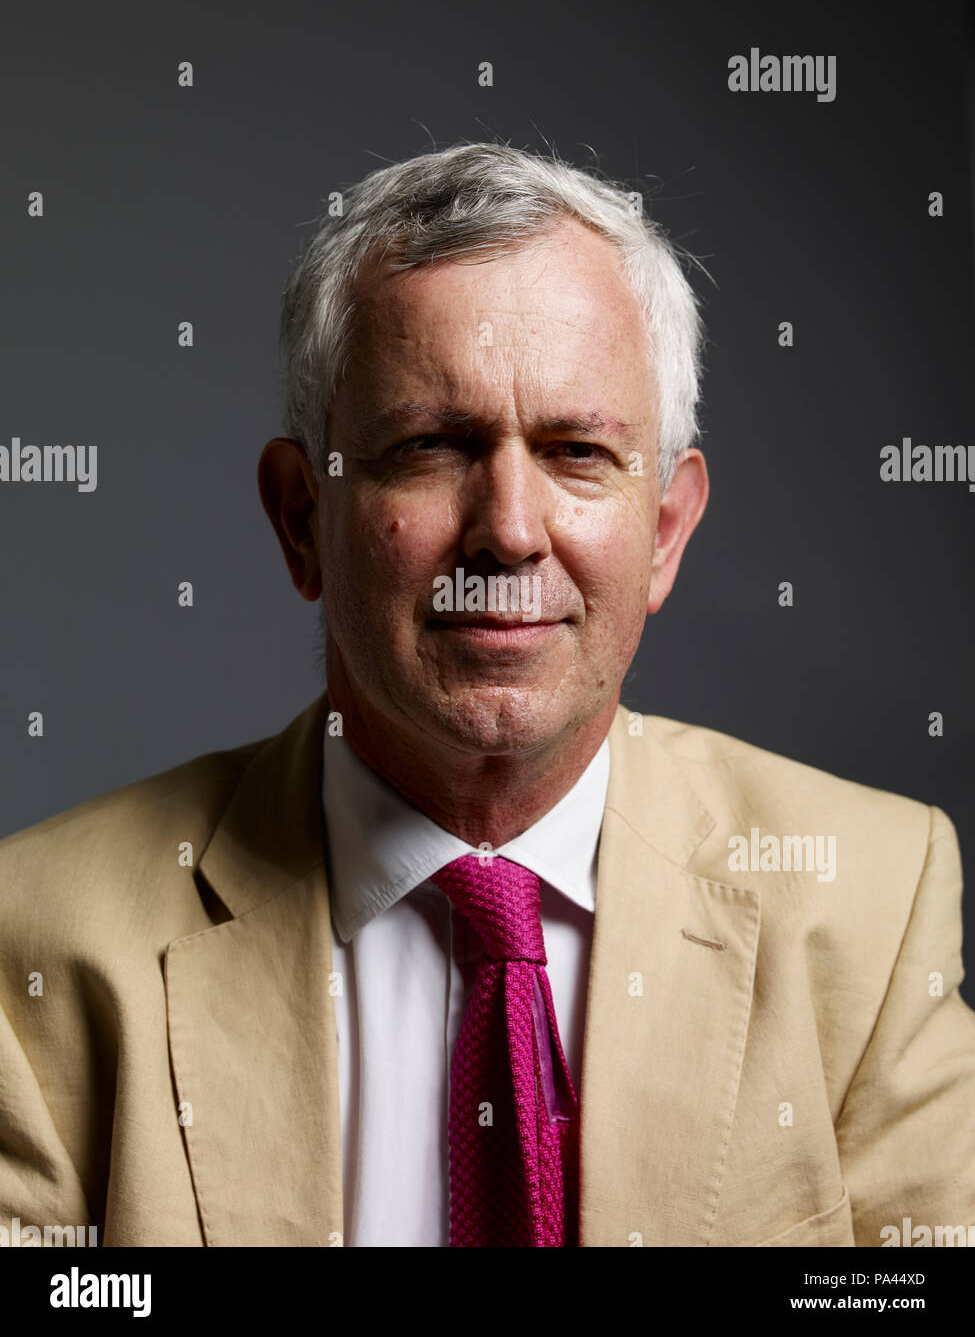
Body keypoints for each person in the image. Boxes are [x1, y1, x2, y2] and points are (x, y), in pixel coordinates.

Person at [1, 142, 973, 1249]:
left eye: (576, 451)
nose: (509, 529)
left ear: (664, 532)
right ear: (300, 519)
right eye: (431, 445)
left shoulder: (871, 902)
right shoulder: (31, 942)